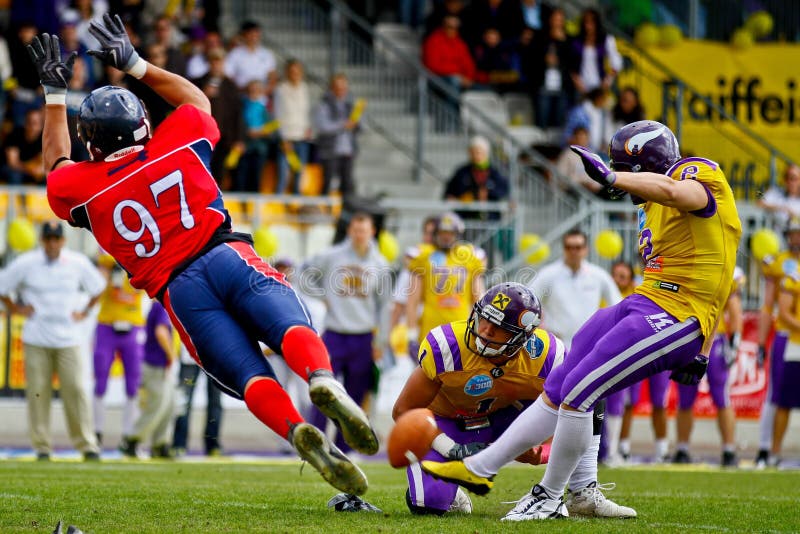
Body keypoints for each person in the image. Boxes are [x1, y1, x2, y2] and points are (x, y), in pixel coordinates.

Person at [28, 17, 378, 495]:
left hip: (180, 292)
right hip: (225, 255)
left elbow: (54, 166)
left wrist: (53, 94)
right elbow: (197, 101)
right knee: (288, 326)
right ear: (142, 125)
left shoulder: (82, 190)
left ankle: (298, 431)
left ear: (91, 144)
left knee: (247, 373)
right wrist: (134, 63)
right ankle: (322, 378)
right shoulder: (180, 138)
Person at [421, 120, 741, 520]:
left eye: (625, 169)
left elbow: (681, 194)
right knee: (561, 383)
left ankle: (548, 496)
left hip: (677, 311)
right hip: (646, 299)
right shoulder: (651, 205)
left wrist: (613, 176)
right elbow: (719, 268)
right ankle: (490, 472)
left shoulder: (695, 172)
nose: (620, 185)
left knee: (579, 391)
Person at [392, 282, 633, 518]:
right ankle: (449, 491)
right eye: (484, 318)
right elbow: (403, 411)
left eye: (498, 326)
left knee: (584, 385)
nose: (485, 330)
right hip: (449, 424)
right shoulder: (447, 345)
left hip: (505, 418)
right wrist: (452, 448)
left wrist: (542, 450)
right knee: (428, 504)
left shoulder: (545, 354)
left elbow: (581, 395)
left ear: (522, 337)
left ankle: (584, 491)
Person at [0, 221, 106, 461]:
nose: (52, 244)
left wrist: (85, 312)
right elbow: (3, 286)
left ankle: (87, 444)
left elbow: (98, 287)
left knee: (77, 390)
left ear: (63, 241)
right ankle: (42, 447)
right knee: (38, 392)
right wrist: (16, 309)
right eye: (48, 239)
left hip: (69, 337)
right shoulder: (26, 263)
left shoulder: (76, 263)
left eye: (56, 239)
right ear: (42, 241)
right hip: (36, 337)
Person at [302, 212, 391, 453]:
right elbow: (303, 272)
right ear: (349, 231)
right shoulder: (332, 256)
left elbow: (385, 305)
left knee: (354, 399)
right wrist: (322, 296)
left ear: (372, 231)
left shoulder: (381, 264)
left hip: (363, 337)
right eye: (355, 229)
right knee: (323, 391)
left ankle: (345, 451)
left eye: (364, 230)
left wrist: (381, 340)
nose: (359, 234)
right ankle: (314, 446)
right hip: (334, 334)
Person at [673, 266, 744, 467]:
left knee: (721, 396)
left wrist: (735, 340)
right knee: (685, 396)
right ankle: (682, 448)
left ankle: (729, 450)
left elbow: (734, 307)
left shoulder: (726, 270)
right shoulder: (689, 263)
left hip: (715, 340)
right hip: (689, 336)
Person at [754, 217, 800, 467]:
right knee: (776, 395)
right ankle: (764, 448)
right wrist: (761, 342)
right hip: (786, 335)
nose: (797, 237)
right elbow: (767, 306)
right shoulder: (780, 263)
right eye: (794, 232)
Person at [405, 212, 486, 351]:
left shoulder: (469, 256)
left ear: (457, 234)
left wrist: (481, 328)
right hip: (431, 327)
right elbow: (413, 299)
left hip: (461, 326)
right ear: (435, 234)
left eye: (449, 233)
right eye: (442, 232)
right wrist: (411, 333)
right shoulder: (424, 255)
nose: (446, 237)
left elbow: (478, 299)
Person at [528, 228, 622, 349]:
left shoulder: (598, 275)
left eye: (578, 247)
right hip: (556, 346)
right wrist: (539, 328)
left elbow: (618, 305)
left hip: (589, 345)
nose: (573, 251)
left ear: (586, 249)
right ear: (563, 249)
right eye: (569, 247)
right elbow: (528, 302)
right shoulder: (548, 274)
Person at [92, 252, 146, 448]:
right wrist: (108, 268)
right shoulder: (107, 258)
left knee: (133, 384)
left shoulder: (142, 255)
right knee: (100, 380)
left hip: (132, 325)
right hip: (108, 324)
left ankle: (129, 434)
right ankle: (96, 433)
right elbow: (97, 281)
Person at [119, 300, 177, 459]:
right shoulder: (161, 306)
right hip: (156, 364)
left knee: (168, 406)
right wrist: (171, 355)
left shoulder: (158, 305)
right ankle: (132, 439)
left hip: (158, 364)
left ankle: (160, 444)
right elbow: (161, 332)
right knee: (157, 406)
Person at [602, 260, 642, 465]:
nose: (618, 280)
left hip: (632, 354)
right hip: (610, 354)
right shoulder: (604, 296)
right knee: (611, 402)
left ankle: (618, 447)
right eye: (615, 275)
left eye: (623, 276)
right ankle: (609, 450)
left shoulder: (637, 295)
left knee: (628, 402)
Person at [313, 73, 362, 198]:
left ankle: (346, 213)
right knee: (327, 182)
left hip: (347, 150)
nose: (341, 91)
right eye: (338, 87)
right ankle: (323, 211)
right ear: (332, 88)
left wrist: (357, 124)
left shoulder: (351, 104)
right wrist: (343, 124)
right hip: (330, 150)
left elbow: (361, 125)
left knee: (348, 184)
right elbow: (323, 126)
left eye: (344, 88)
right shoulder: (324, 104)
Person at [443, 135, 509, 221]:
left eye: (478, 152)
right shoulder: (461, 172)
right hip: (465, 218)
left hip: (490, 219)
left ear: (486, 153)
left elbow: (504, 190)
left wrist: (488, 193)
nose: (475, 155)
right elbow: (449, 193)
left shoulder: (494, 173)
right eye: (472, 152)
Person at [274, 59, 312, 195]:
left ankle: (296, 208)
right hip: (287, 138)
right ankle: (277, 205)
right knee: (283, 176)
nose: (295, 74)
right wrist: (283, 138)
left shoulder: (304, 88)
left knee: (299, 175)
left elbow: (306, 111)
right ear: (287, 72)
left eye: (297, 71)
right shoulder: (281, 89)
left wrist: (308, 128)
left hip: (302, 137)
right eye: (292, 71)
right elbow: (278, 115)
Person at [758, 164, 800, 230]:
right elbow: (760, 203)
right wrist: (781, 208)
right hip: (776, 237)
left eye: (793, 178)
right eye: (787, 178)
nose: (790, 182)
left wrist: (795, 218)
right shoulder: (775, 192)